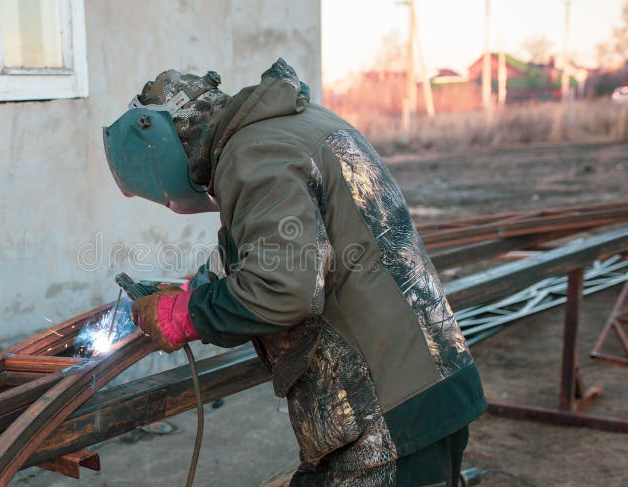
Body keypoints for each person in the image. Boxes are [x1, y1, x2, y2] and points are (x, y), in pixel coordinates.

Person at [103, 58, 486, 486]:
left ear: (166, 145)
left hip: (384, 418)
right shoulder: (295, 125)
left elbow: (284, 289)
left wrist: (184, 315)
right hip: (434, 384)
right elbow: (285, 249)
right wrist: (195, 290)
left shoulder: (251, 154)